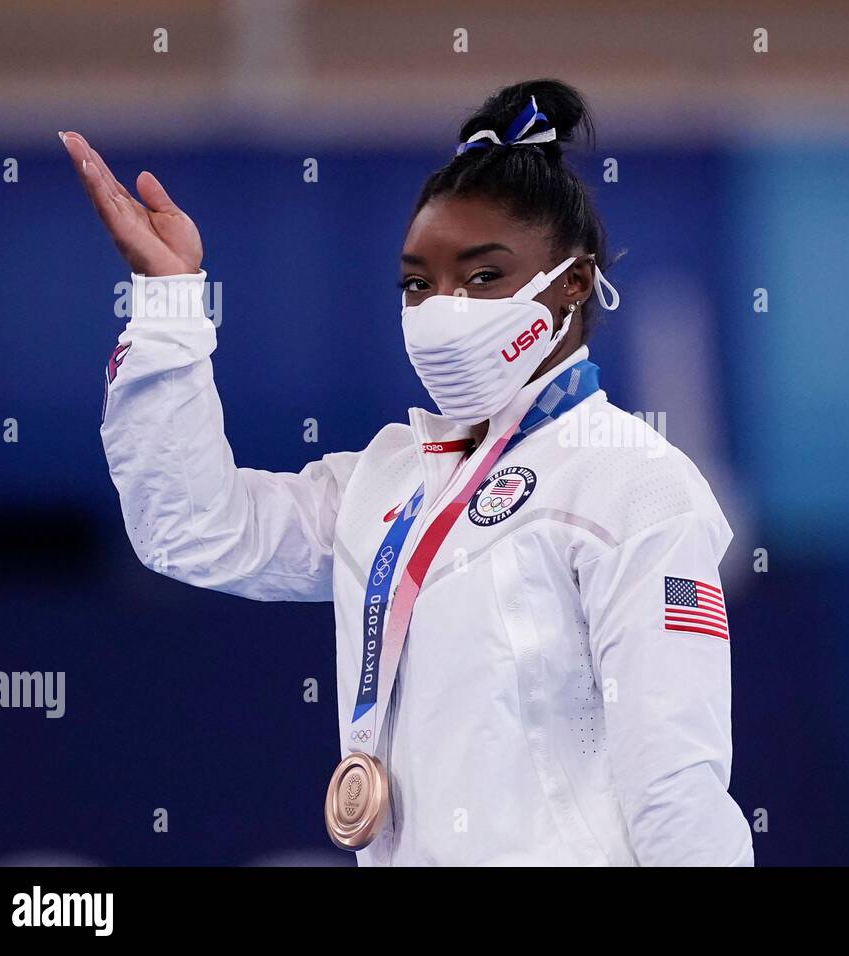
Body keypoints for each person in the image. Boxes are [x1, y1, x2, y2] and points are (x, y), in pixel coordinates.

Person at [63, 78, 753, 866]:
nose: (441, 308)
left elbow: (674, 780)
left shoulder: (636, 486)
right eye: (419, 284)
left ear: (571, 283)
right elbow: (193, 530)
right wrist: (169, 304)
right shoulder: (389, 479)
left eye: (482, 276)